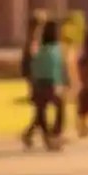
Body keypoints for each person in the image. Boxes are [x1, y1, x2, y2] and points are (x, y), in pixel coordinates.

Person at [22, 20, 68, 151]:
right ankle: (54, 135)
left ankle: (43, 136)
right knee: (58, 107)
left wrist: (33, 84)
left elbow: (33, 67)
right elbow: (58, 69)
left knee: (40, 112)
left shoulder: (39, 48)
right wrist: (62, 83)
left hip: (38, 83)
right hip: (50, 83)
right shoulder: (57, 49)